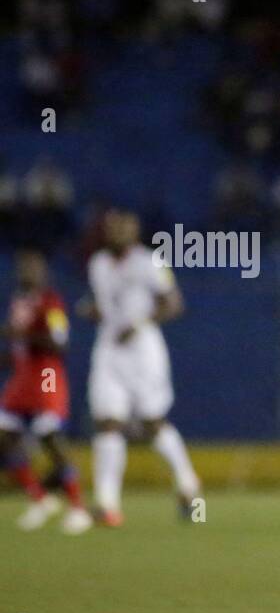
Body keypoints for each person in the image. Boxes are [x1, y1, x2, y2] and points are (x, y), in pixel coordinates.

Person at [82, 209, 200, 525]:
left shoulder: (150, 262)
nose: (116, 232)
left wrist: (140, 323)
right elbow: (107, 304)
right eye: (112, 227)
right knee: (107, 422)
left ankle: (188, 483)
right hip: (108, 350)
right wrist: (92, 311)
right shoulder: (98, 264)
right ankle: (107, 504)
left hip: (144, 351)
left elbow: (173, 303)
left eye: (123, 228)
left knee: (152, 422)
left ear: (134, 233)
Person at [0, 248, 92, 533]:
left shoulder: (51, 303)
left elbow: (59, 343)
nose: (27, 272)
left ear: (44, 273)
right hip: (23, 374)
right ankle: (39, 498)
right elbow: (18, 347)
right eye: (23, 267)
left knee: (48, 434)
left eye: (33, 267)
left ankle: (79, 508)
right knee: (4, 435)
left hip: (47, 374)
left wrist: (22, 336)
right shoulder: (18, 302)